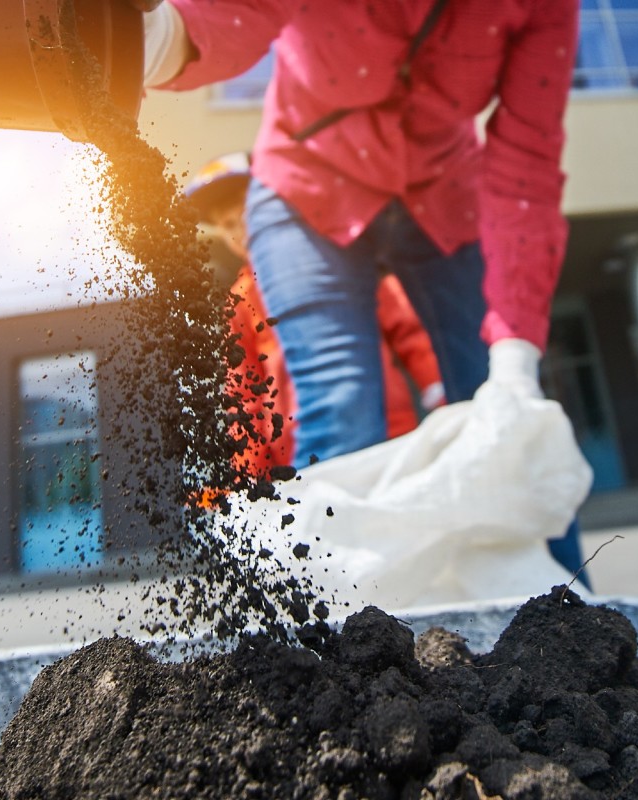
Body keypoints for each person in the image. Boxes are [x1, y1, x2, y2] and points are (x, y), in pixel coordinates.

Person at [138, 0, 590, 581]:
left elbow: (526, 165)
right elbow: (235, 13)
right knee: (340, 403)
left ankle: (573, 619)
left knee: (500, 397)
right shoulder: (246, 298)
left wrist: (512, 359)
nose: (233, 231)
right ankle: (341, 637)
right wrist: (152, 38)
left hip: (442, 191)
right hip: (309, 186)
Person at [184, 152, 447, 476]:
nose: (242, 228)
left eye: (248, 211)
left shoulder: (337, 257)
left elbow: (409, 328)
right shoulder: (239, 303)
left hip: (386, 435)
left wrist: (437, 387)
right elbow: (243, 397)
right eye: (227, 224)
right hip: (301, 453)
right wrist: (250, 477)